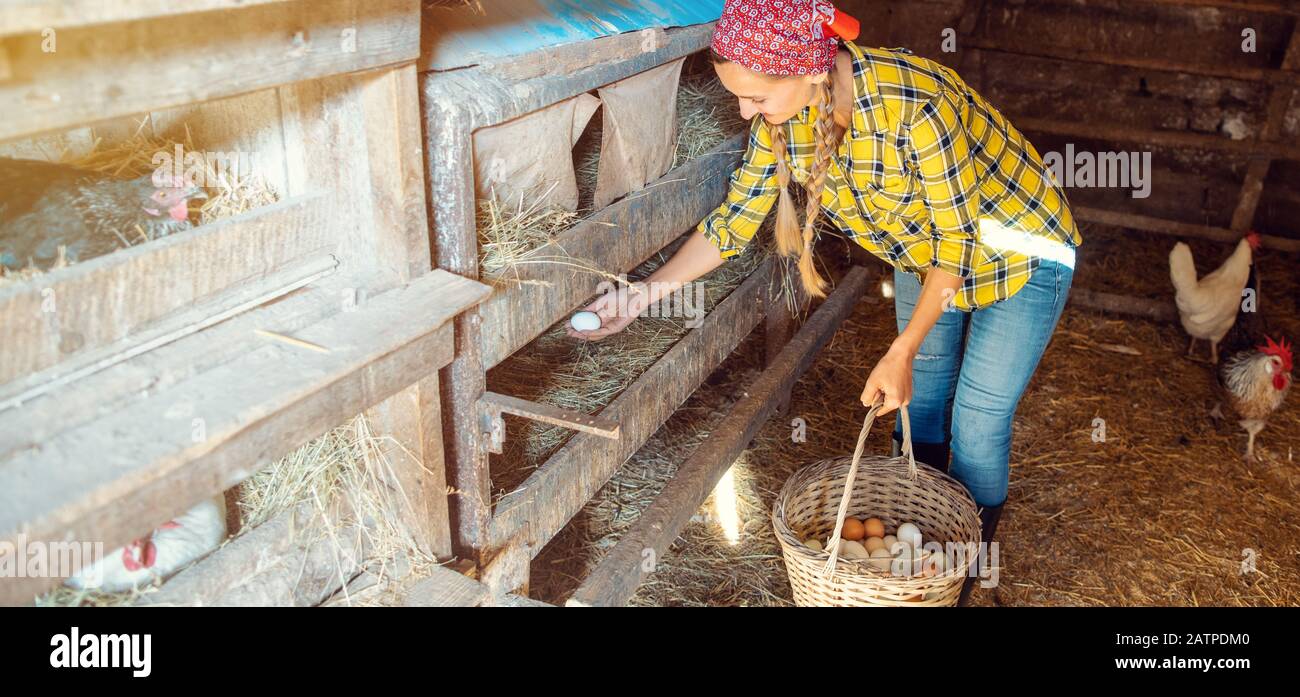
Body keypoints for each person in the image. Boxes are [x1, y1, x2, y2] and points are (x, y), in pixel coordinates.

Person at [568, 0, 1082, 605]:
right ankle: (916, 556)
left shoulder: (914, 108)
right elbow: (737, 218)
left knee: (978, 417)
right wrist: (642, 296)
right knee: (922, 403)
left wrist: (902, 348)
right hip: (925, 251)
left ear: (810, 72)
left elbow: (959, 240)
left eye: (756, 98)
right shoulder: (783, 121)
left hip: (1018, 252)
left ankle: (959, 577)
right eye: (739, 97)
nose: (745, 112)